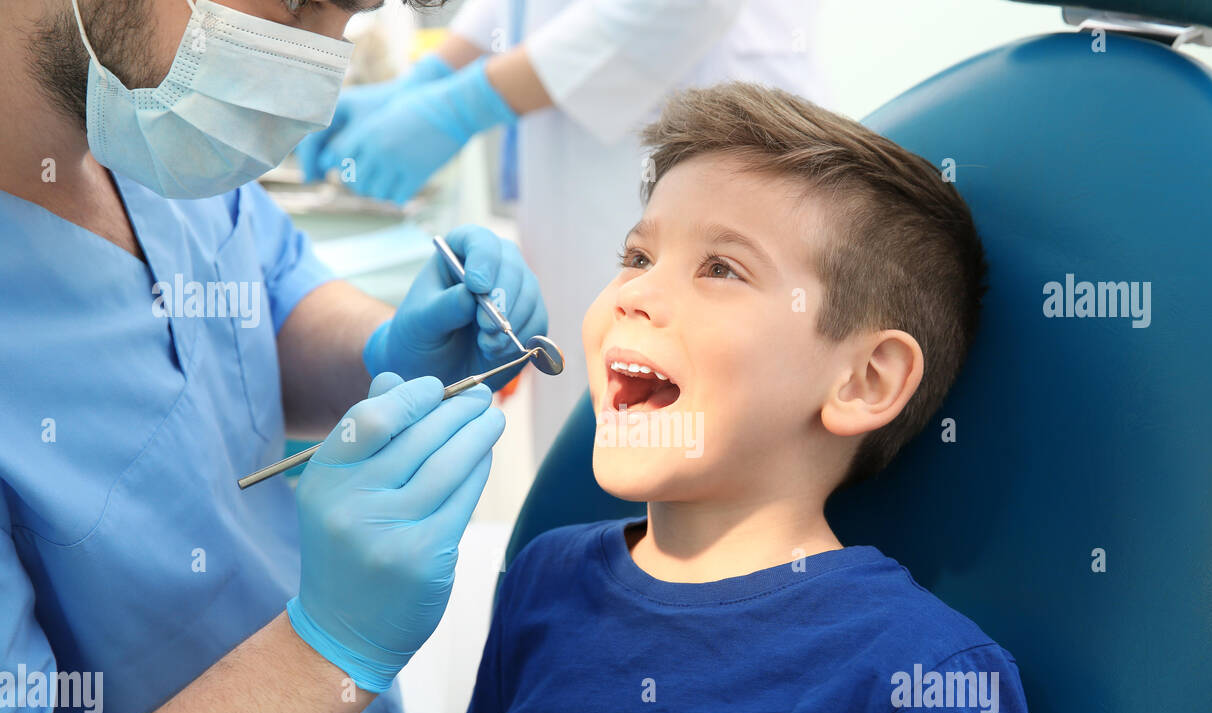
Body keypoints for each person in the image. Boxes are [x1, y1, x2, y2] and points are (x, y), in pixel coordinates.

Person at [388, 83, 1050, 713]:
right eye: (637, 256)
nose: (635, 294)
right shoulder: (546, 581)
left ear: (865, 380)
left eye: (722, 269)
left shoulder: (920, 678)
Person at [0, 0, 546, 713]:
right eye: (298, 2)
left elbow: (266, 291)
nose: (318, 74)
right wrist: (325, 646)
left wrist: (386, 352)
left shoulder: (136, 113)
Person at [298, 0, 828, 462]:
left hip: (689, 138)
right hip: (580, 161)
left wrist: (468, 100)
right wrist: (434, 75)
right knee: (592, 416)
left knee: (681, 430)